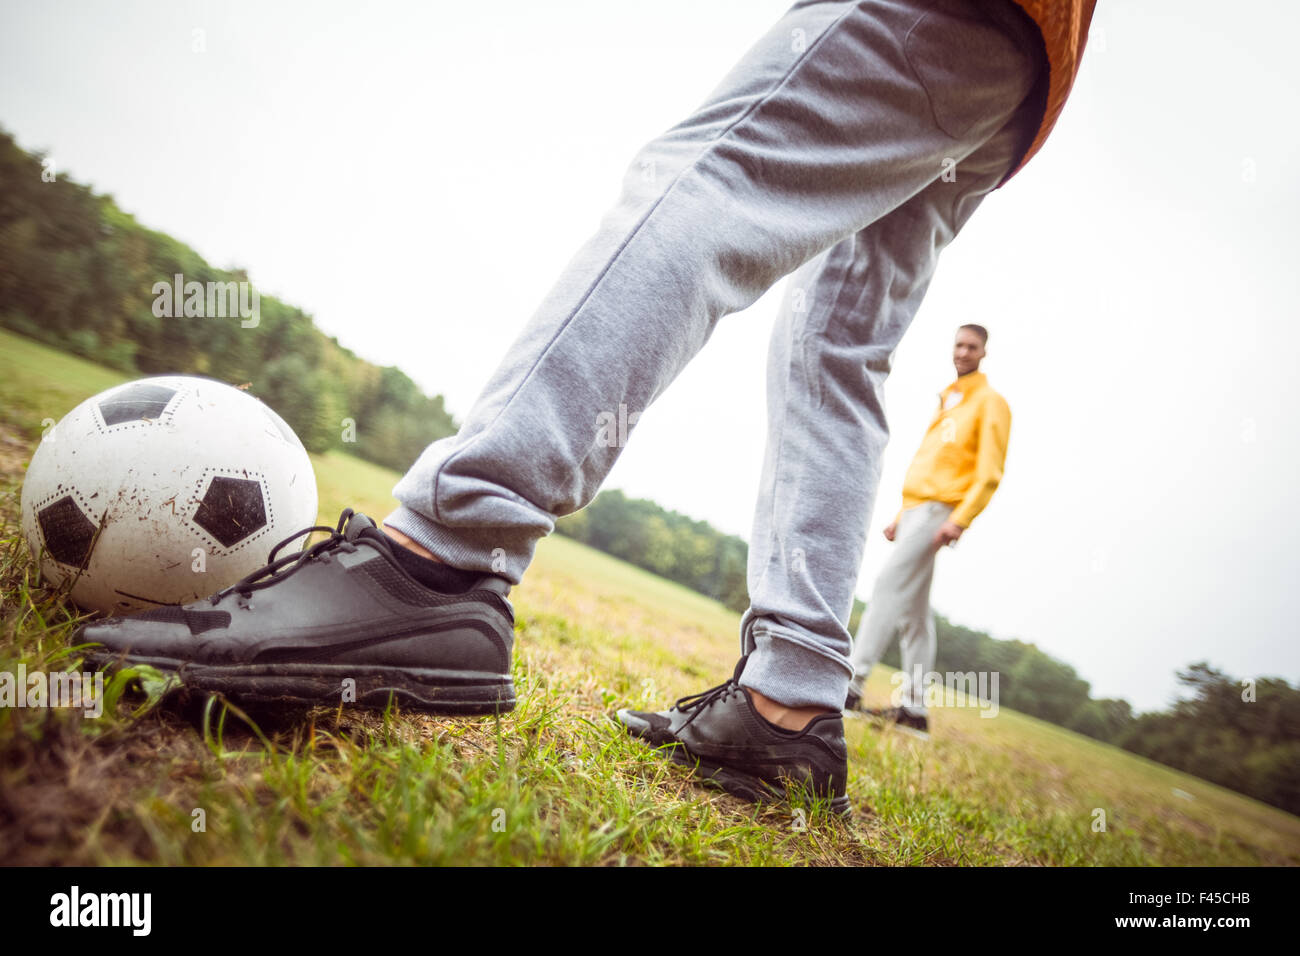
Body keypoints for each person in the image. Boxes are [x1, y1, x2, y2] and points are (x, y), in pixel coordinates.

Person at [84, 0, 1097, 818]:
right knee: (836, 348)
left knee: (709, 181)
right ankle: (791, 702)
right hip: (1028, 66)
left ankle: (442, 559)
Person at [846, 324, 1010, 738]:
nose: (963, 352)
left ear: (984, 353)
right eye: (958, 344)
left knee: (886, 588)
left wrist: (961, 518)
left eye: (972, 346)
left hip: (942, 511)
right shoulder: (948, 399)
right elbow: (931, 461)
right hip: (917, 509)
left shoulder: (990, 403)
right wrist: (903, 512)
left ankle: (851, 685)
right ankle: (915, 711)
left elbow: (989, 471)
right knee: (915, 615)